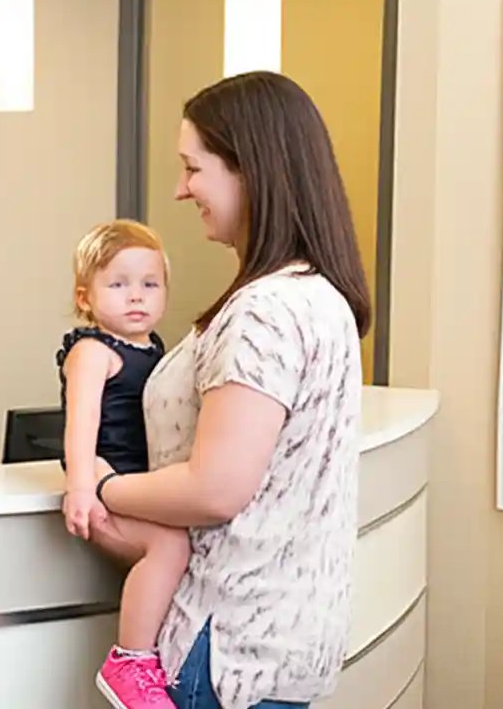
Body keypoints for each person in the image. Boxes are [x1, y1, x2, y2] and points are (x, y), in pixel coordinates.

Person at [92, 71, 371, 709]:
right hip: (285, 639)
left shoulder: (266, 309)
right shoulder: (319, 296)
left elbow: (215, 488)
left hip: (229, 649)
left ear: (250, 168)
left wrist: (101, 486)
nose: (180, 189)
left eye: (194, 168)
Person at [57, 220, 190, 709]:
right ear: (86, 297)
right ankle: (130, 661)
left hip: (140, 484)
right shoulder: (92, 351)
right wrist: (80, 488)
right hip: (102, 480)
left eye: (149, 284)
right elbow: (79, 423)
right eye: (118, 284)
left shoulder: (154, 350)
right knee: (170, 547)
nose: (137, 296)